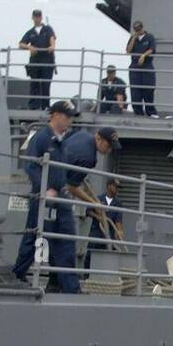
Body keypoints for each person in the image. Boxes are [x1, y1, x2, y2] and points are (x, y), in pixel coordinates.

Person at [50, 125, 120, 293]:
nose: (109, 150)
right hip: (56, 192)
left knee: (53, 238)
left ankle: (53, 282)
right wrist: (95, 203)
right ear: (99, 139)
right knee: (67, 240)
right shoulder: (89, 158)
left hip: (49, 185)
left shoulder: (82, 135)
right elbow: (72, 186)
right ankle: (70, 288)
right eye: (108, 145)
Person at [13, 100, 75, 281]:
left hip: (59, 197)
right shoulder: (42, 138)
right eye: (66, 117)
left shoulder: (62, 141)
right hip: (42, 198)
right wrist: (44, 188)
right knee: (34, 238)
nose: (69, 121)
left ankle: (68, 286)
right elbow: (31, 166)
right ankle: (18, 274)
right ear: (55, 115)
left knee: (64, 239)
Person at [18, 10, 56, 111]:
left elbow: (52, 39)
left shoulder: (47, 29)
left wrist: (52, 46)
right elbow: (21, 43)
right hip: (35, 61)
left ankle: (45, 106)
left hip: (47, 61)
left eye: (38, 16)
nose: (37, 18)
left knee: (45, 84)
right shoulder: (30, 32)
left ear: (41, 17)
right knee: (34, 83)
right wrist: (29, 47)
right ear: (33, 18)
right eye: (35, 16)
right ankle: (33, 106)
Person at [85, 178, 123, 272]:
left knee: (108, 254)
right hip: (96, 232)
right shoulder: (98, 199)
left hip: (108, 233)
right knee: (91, 253)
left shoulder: (118, 203)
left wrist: (119, 231)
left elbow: (118, 220)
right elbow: (88, 211)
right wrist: (98, 217)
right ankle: (86, 274)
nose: (117, 189)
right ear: (109, 186)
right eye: (115, 187)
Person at [127, 20, 157, 117]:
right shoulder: (133, 38)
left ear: (142, 28)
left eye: (139, 29)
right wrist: (133, 39)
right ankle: (138, 112)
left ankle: (150, 111)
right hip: (135, 67)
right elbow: (128, 51)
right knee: (135, 91)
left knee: (148, 90)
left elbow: (152, 49)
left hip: (147, 66)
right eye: (136, 30)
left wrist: (143, 56)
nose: (138, 31)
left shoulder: (150, 37)